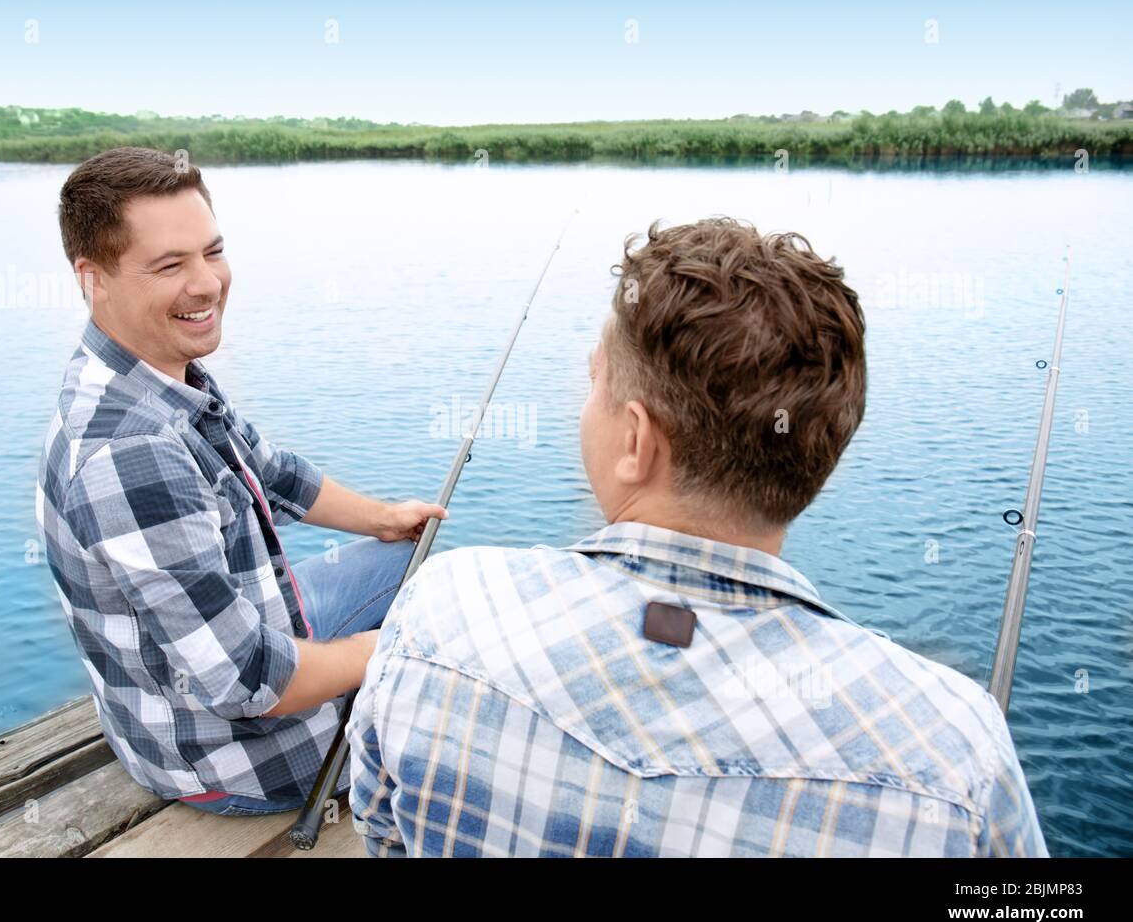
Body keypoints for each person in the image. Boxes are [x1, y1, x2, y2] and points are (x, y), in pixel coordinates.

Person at [346, 217, 1048, 856]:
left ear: (636, 441)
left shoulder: (441, 613)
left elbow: (384, 832)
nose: (580, 400)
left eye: (596, 381)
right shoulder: (954, 753)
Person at [37, 146, 445, 815]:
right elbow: (247, 678)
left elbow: (269, 468)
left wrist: (383, 517)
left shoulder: (150, 371)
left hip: (236, 643)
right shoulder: (132, 456)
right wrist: (388, 651)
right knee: (455, 689)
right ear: (93, 278)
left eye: (212, 251)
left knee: (417, 562)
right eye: (170, 264)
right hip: (237, 761)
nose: (207, 283)